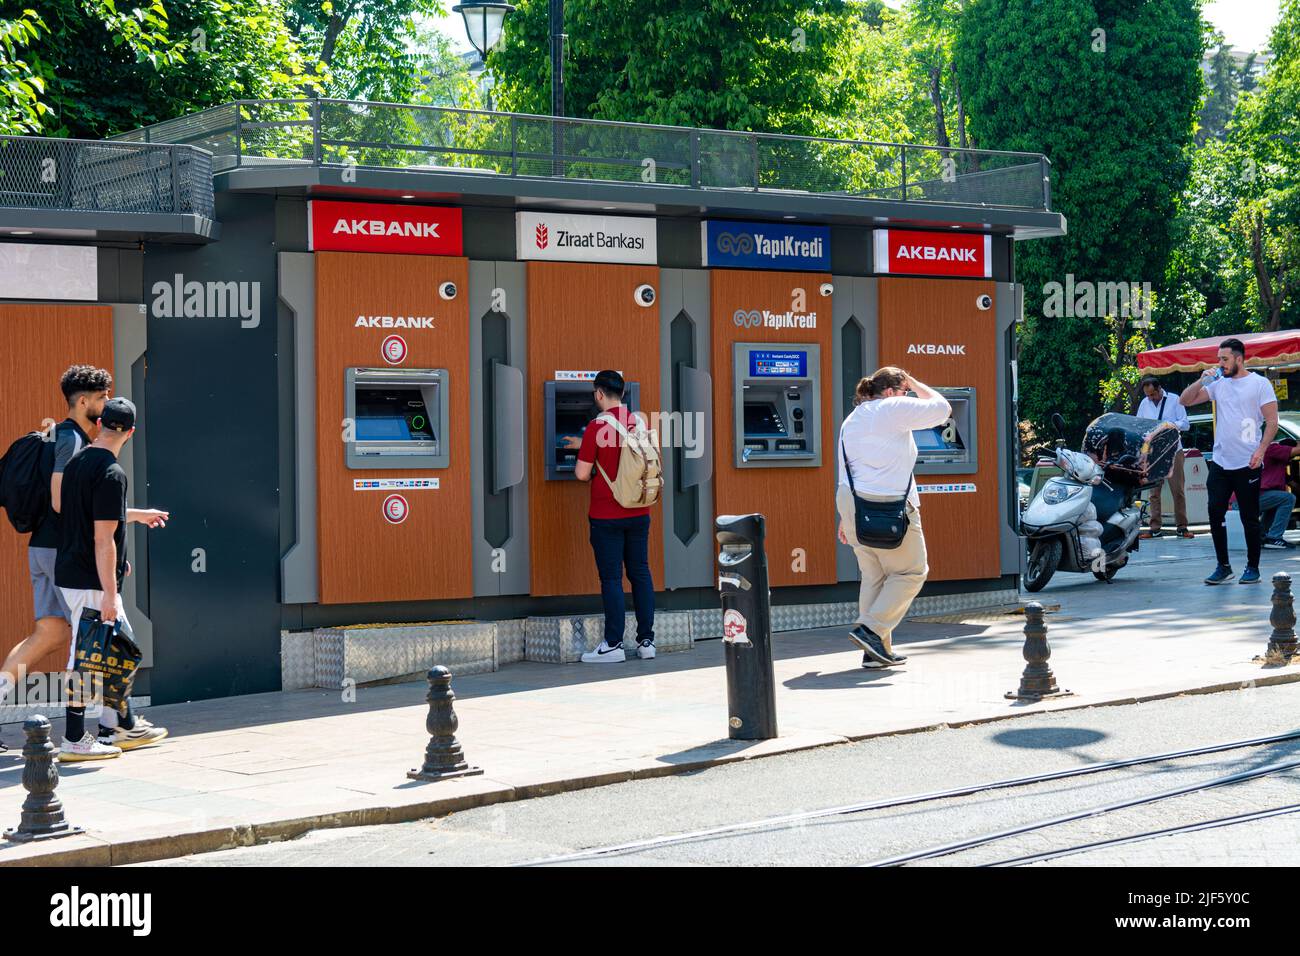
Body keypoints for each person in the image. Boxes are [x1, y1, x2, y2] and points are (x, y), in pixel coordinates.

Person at [55, 397, 170, 761]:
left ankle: (118, 725)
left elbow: (100, 518)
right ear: (131, 432)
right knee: (88, 655)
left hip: (76, 573)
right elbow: (102, 537)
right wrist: (109, 590)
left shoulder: (79, 461)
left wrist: (139, 518)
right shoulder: (111, 472)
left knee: (115, 649)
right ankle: (75, 737)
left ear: (100, 422)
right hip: (91, 581)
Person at [0, 366, 109, 751]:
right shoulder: (71, 440)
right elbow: (62, 500)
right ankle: (99, 728)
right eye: (101, 397)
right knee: (87, 637)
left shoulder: (55, 434)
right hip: (63, 551)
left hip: (40, 549)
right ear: (83, 401)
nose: (105, 403)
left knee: (51, 633)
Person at [836, 367, 951, 668]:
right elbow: (942, 409)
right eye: (904, 391)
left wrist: (846, 518)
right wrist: (914, 382)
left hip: (853, 503)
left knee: (874, 575)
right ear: (890, 391)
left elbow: (847, 468)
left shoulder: (853, 419)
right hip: (888, 506)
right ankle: (871, 630)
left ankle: (875, 652)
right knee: (912, 571)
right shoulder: (891, 407)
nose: (907, 396)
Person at [563, 371, 655, 663]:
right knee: (640, 574)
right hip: (640, 510)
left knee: (612, 578)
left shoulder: (596, 426)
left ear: (599, 394)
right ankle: (646, 642)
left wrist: (584, 452)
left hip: (607, 514)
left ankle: (613, 645)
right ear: (623, 394)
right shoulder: (639, 421)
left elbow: (580, 473)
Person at [1179, 338, 1278, 585]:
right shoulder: (1218, 385)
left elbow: (1272, 421)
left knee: (1249, 517)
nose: (1220, 363)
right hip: (1221, 463)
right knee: (1215, 512)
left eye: (1224, 359)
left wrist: (1261, 451)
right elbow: (1185, 400)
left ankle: (1252, 567)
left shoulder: (1259, 384)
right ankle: (1223, 566)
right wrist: (1202, 379)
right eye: (1218, 359)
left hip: (1248, 462)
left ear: (1239, 359)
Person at [1134, 374, 1193, 539]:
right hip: (1154, 452)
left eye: (1153, 394)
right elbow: (1139, 425)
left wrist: (1169, 425)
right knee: (1154, 492)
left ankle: (1182, 527)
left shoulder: (1175, 400)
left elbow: (1186, 424)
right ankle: (1155, 528)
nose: (1150, 398)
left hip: (1174, 450)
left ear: (1159, 389)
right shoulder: (1144, 404)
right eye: (1147, 395)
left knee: (1178, 490)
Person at [1260, 438, 1300, 549]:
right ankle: (1274, 537)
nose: (1291, 459)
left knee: (1279, 500)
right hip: (1248, 499)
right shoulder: (1273, 448)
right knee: (1288, 498)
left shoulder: (1279, 466)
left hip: (1258, 497)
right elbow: (1297, 450)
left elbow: (1294, 485)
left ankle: (1261, 536)